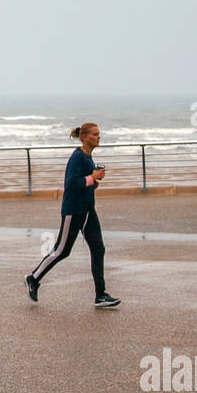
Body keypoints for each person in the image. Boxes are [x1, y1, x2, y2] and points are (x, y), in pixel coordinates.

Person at [25, 122, 120, 308]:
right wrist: (92, 178)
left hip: (88, 211)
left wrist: (94, 182)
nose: (98, 137)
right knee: (61, 251)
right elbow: (70, 184)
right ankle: (33, 278)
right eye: (94, 134)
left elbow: (83, 182)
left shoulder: (88, 157)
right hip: (73, 211)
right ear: (85, 137)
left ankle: (100, 295)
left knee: (98, 249)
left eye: (99, 134)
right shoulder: (77, 157)